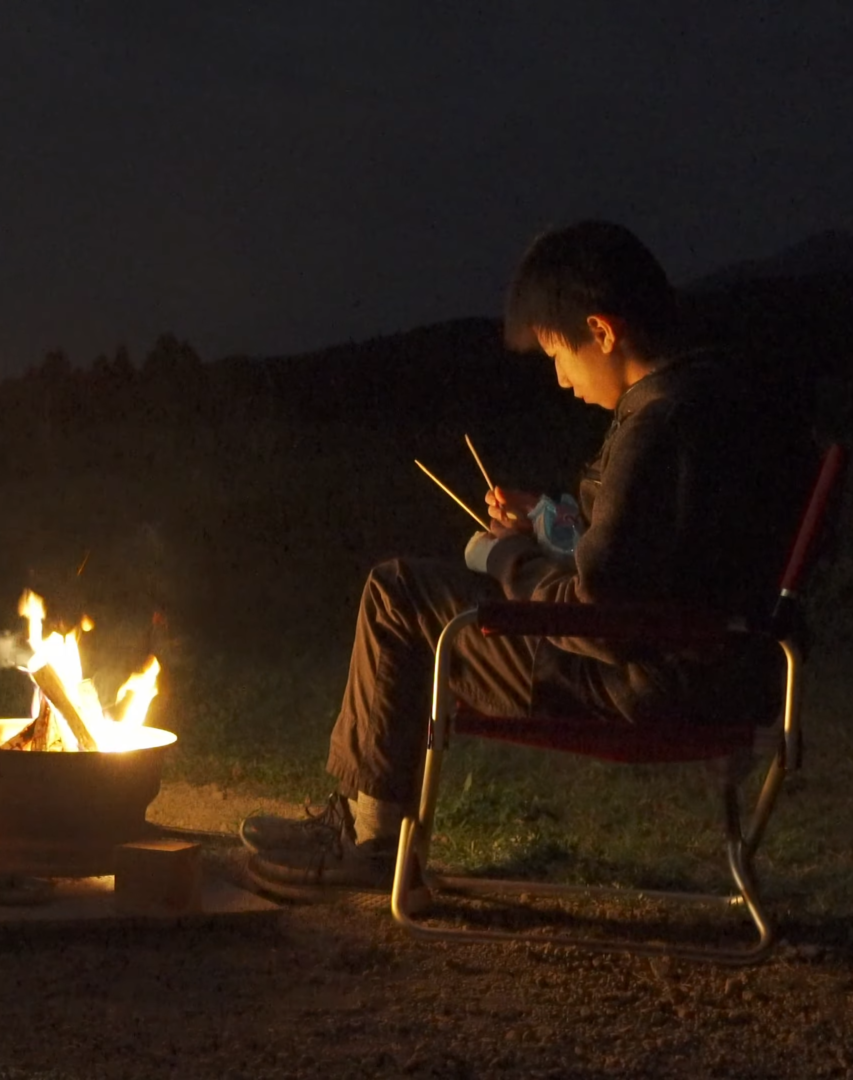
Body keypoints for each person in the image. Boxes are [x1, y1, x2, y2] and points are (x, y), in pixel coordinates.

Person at [242, 220, 816, 894]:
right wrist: (551, 528)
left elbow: (595, 615)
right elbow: (664, 558)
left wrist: (510, 557)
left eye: (557, 353)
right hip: (732, 671)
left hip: (641, 682)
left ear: (602, 331)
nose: (561, 378)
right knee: (426, 594)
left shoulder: (656, 425)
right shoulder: (732, 401)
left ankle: (369, 843)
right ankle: (368, 828)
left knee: (397, 592)